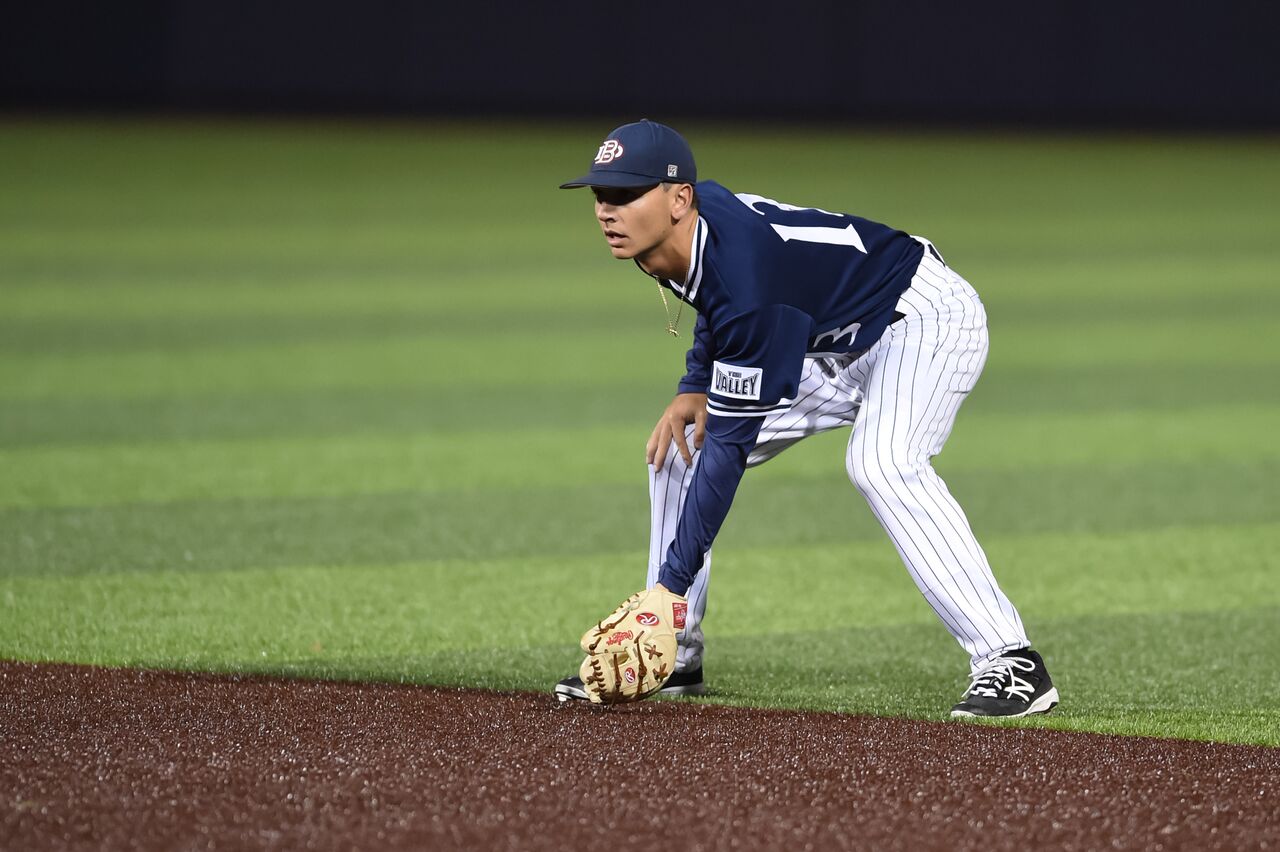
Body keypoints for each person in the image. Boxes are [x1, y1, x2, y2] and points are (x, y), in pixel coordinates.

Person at [553, 119, 1058, 718]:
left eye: (625, 195)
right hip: (826, 338)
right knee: (679, 449)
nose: (607, 211)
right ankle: (672, 650)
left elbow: (730, 445)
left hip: (922, 318)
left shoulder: (751, 281)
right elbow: (711, 297)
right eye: (600, 196)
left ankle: (1011, 661)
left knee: (883, 464)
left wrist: (666, 586)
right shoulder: (682, 229)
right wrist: (694, 385)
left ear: (677, 198)